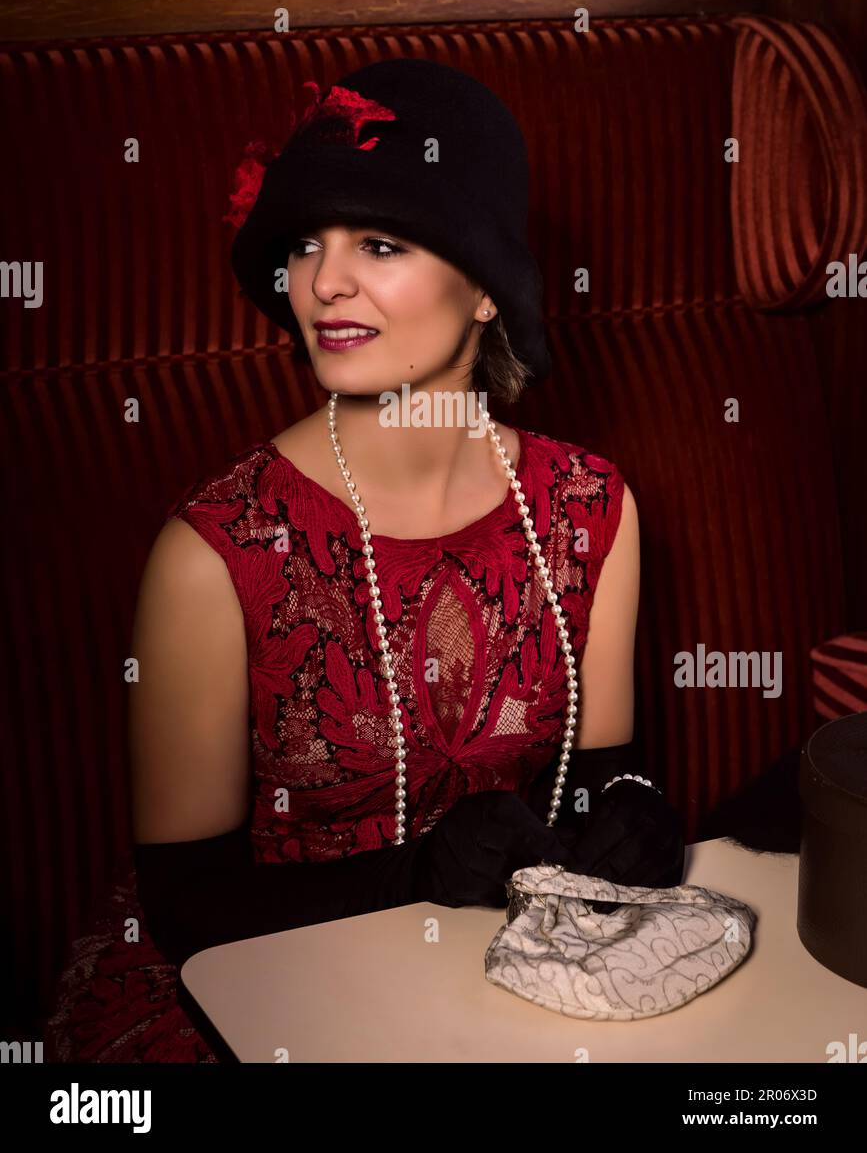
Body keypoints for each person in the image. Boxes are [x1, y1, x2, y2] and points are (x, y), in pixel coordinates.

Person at [44, 58, 683, 1063]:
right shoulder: (211, 553)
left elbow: (601, 780)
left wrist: (636, 810)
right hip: (257, 1000)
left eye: (378, 243)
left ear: (485, 293)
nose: (324, 282)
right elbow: (189, 909)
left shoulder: (594, 508)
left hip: (505, 982)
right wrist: (417, 874)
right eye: (306, 245)